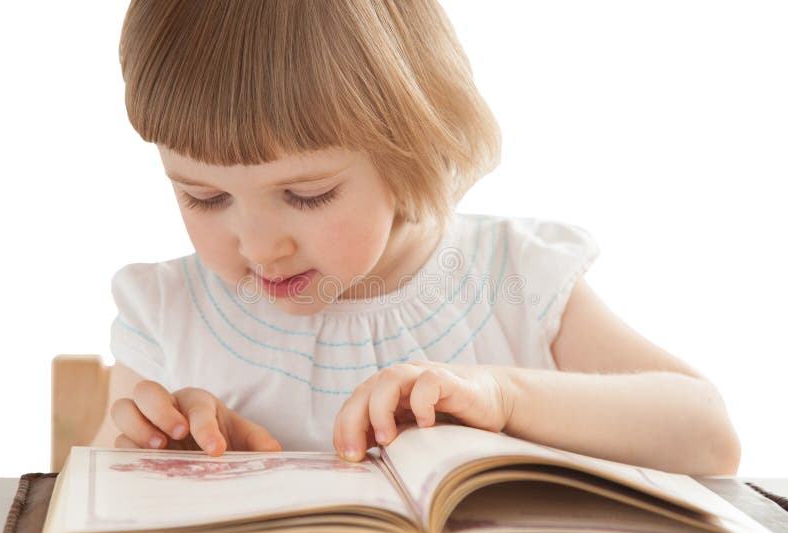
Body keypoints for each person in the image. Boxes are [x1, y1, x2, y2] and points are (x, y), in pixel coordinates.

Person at [91, 0, 740, 476]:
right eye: (204, 197)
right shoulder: (170, 313)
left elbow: (709, 436)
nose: (259, 247)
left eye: (308, 194)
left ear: (415, 152)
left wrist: (505, 397)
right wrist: (175, 452)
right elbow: (101, 497)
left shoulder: (510, 279)